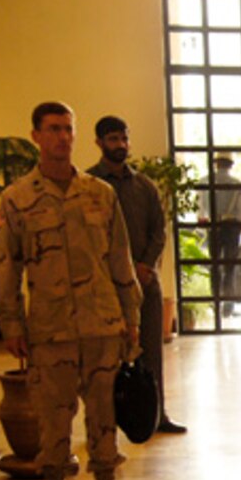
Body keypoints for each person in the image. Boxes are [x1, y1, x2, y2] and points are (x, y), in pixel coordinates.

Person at [0, 102, 142, 480]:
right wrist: (12, 325)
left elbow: (119, 260)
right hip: (49, 330)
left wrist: (130, 315)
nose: (62, 137)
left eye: (68, 129)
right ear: (36, 135)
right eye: (53, 129)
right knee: (53, 419)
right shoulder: (18, 199)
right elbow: (5, 267)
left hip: (101, 324)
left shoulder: (99, 193)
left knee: (103, 413)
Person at [88, 115, 186, 435]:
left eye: (124, 138)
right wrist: (117, 274)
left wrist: (144, 266)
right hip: (106, 288)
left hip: (146, 282)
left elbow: (159, 230)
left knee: (151, 351)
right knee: (107, 357)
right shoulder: (89, 185)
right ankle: (107, 421)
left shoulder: (144, 185)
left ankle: (156, 415)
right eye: (113, 139)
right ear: (99, 142)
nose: (120, 145)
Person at [199, 151, 241, 317]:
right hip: (231, 226)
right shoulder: (237, 184)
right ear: (230, 165)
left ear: (216, 163)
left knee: (215, 265)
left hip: (213, 225)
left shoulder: (204, 181)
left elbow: (200, 208)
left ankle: (215, 301)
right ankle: (229, 304)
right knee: (230, 267)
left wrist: (202, 220)